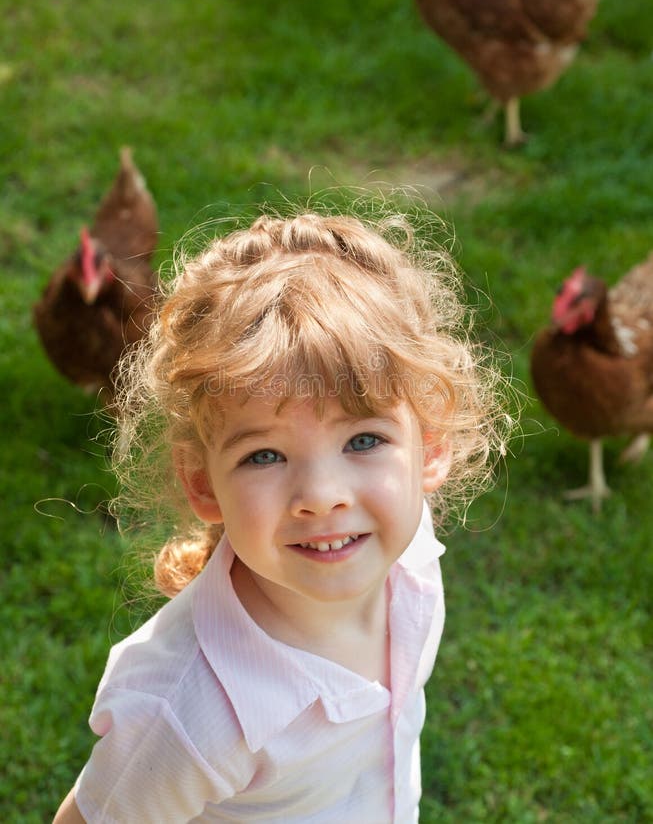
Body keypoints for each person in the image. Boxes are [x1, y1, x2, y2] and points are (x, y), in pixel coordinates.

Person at [53, 209, 507, 823]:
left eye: (364, 440)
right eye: (264, 455)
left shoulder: (411, 557)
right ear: (201, 482)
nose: (321, 495)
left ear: (429, 447)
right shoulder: (190, 711)